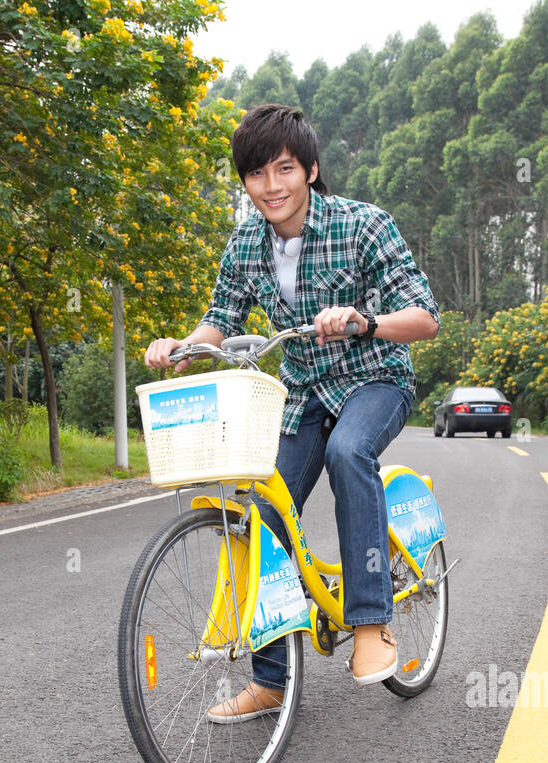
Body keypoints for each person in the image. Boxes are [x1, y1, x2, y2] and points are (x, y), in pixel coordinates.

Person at [144, 103, 440, 721]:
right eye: (256, 174)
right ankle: (271, 678)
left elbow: (425, 318)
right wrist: (182, 348)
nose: (271, 186)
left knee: (346, 452)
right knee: (265, 509)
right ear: (246, 182)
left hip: (376, 380)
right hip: (302, 393)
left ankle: (370, 621)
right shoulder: (246, 242)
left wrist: (365, 322)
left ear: (309, 169)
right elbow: (220, 321)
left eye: (284, 169)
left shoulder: (363, 226)